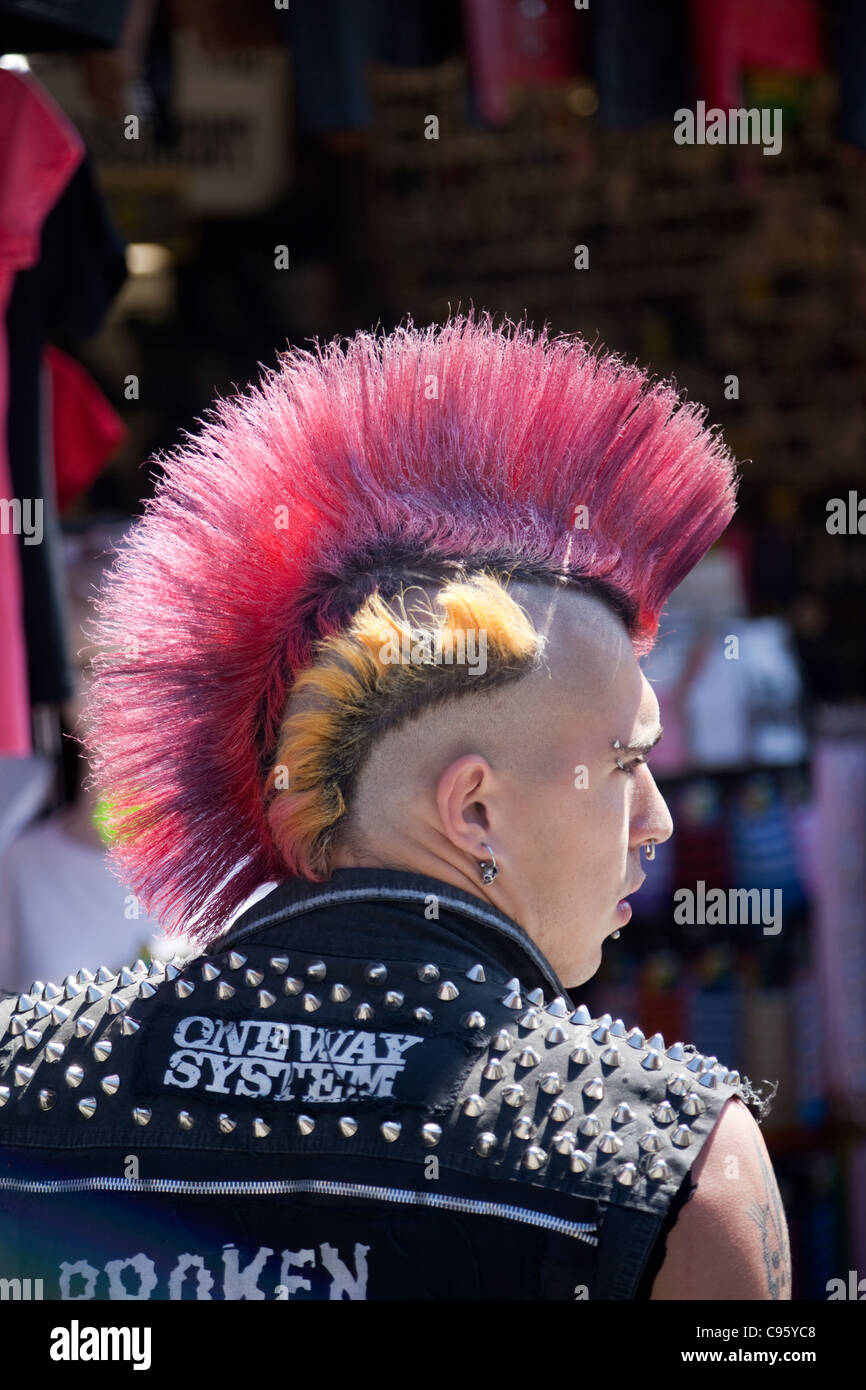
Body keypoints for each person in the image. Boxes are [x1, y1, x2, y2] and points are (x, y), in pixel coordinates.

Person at [0, 313, 789, 1300]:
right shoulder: (672, 1163)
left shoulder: (30, 1079)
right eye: (625, 762)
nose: (657, 819)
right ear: (473, 811)